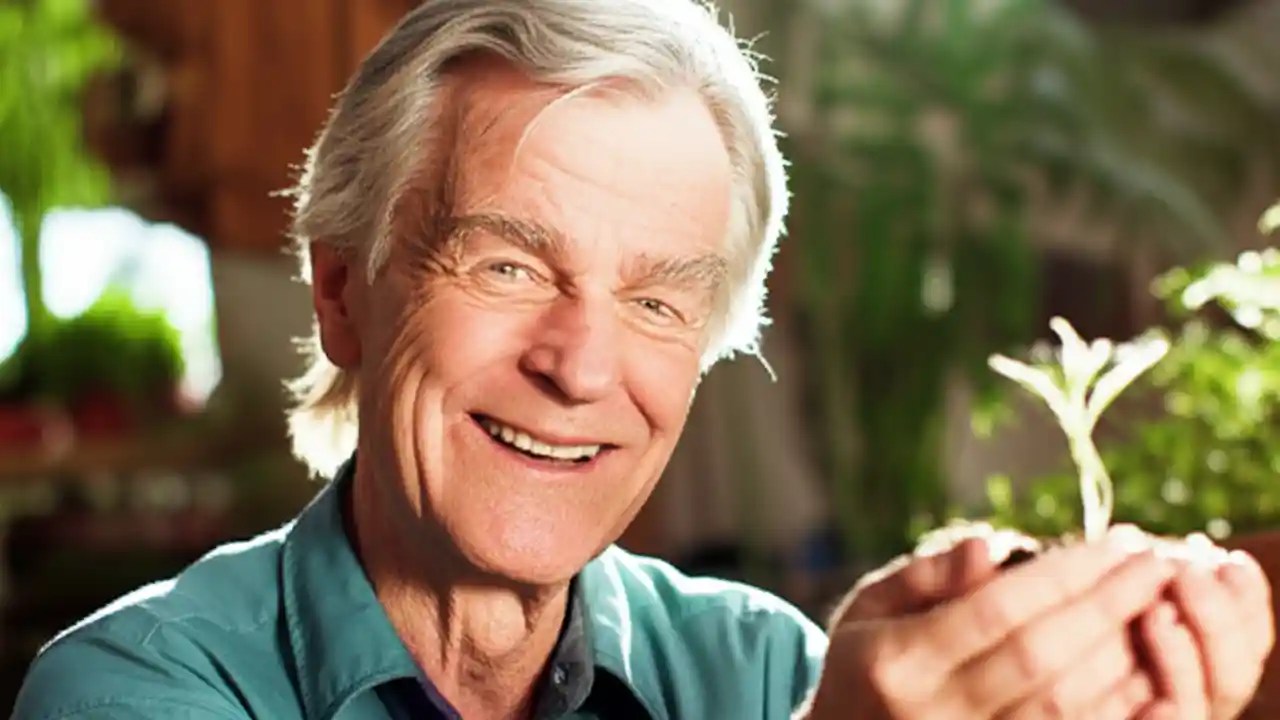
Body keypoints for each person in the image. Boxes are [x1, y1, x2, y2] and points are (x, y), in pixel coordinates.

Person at [13, 1, 1274, 718]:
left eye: (661, 305)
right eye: (507, 266)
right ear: (341, 295)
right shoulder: (129, 690)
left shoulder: (762, 669)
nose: (580, 365)